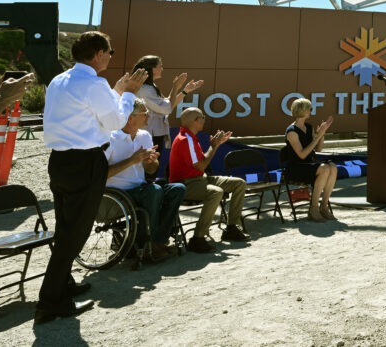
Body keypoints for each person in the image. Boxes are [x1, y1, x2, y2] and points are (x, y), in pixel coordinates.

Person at [35, 31, 147, 324]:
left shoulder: (60, 80)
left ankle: (63, 284)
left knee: (66, 226)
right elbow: (115, 121)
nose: (110, 56)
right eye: (109, 52)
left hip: (60, 160)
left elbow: (93, 111)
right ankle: (50, 301)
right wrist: (128, 94)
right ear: (99, 54)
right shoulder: (95, 84)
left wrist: (117, 91)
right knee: (76, 231)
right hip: (85, 161)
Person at [104, 99, 187, 262]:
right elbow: (100, 174)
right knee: (153, 191)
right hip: (118, 193)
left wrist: (151, 162)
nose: (149, 116)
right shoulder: (110, 138)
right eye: (145, 113)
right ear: (130, 118)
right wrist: (131, 160)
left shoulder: (144, 135)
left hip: (141, 189)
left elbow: (151, 170)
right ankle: (146, 245)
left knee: (178, 188)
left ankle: (157, 242)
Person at [168, 107, 249, 252]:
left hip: (200, 179)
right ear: (197, 120)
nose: (204, 120)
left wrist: (215, 146)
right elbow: (201, 165)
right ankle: (197, 238)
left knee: (239, 183)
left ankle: (231, 227)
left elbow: (201, 165)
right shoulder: (185, 140)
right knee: (215, 192)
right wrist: (214, 146)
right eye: (203, 117)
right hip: (186, 184)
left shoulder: (190, 137)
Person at [283, 98, 338, 222]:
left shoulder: (308, 127)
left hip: (310, 164)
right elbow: (302, 155)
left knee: (333, 167)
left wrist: (321, 135)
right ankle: (313, 208)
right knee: (324, 169)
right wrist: (317, 137)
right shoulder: (292, 132)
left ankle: (323, 206)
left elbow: (318, 149)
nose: (311, 111)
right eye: (310, 109)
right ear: (302, 110)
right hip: (297, 168)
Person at [133, 55, 203, 149]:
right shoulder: (145, 89)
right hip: (149, 134)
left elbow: (168, 105)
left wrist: (185, 91)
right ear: (152, 69)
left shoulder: (150, 87)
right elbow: (167, 108)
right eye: (160, 66)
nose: (162, 69)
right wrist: (175, 87)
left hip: (154, 133)